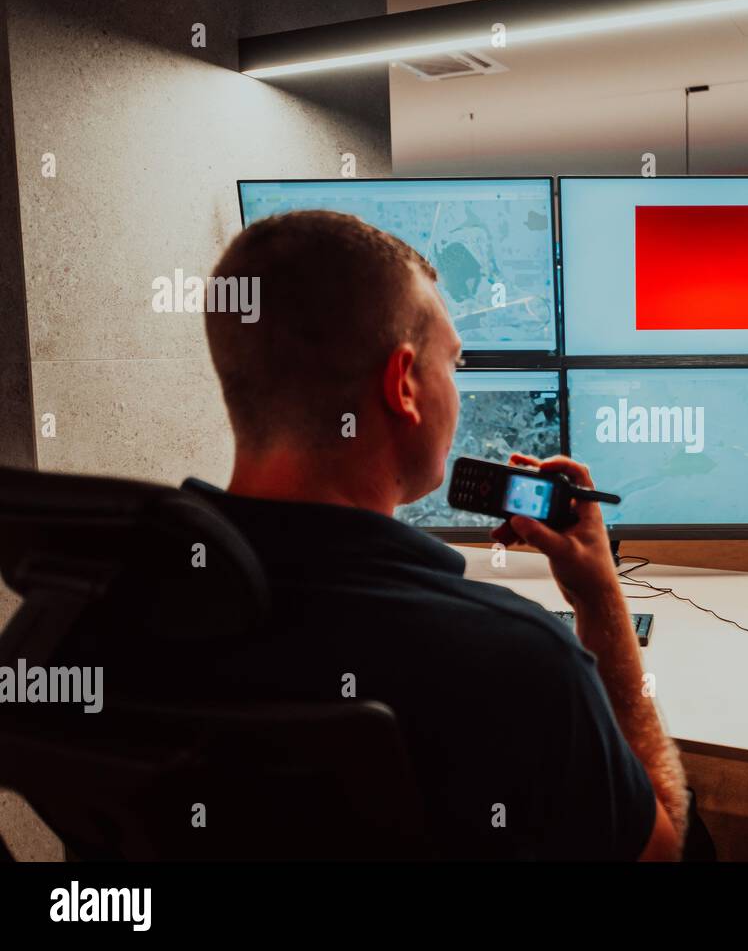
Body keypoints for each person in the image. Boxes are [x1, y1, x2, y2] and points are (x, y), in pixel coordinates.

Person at [69, 211, 686, 860]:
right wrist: (598, 599)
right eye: (455, 363)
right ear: (404, 385)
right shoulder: (519, 661)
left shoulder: (88, 615)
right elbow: (659, 849)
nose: (460, 386)